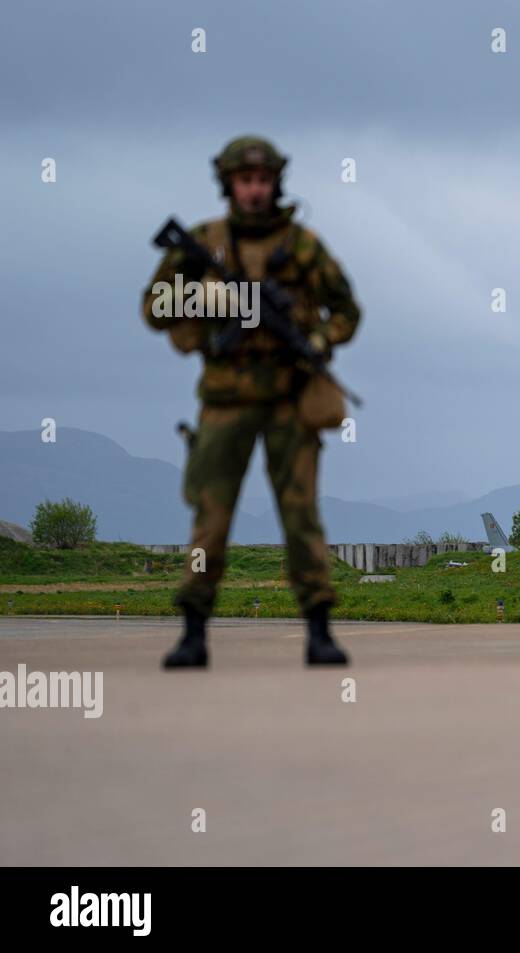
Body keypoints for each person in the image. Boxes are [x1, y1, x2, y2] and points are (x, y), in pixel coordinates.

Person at [142, 135, 361, 668]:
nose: (255, 190)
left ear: (275, 183)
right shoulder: (204, 242)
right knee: (210, 521)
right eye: (246, 180)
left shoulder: (302, 245)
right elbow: (155, 307)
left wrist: (319, 340)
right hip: (226, 400)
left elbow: (346, 311)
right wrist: (219, 297)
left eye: (263, 181)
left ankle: (319, 630)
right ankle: (193, 631)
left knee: (301, 517)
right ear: (229, 184)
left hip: (290, 400)